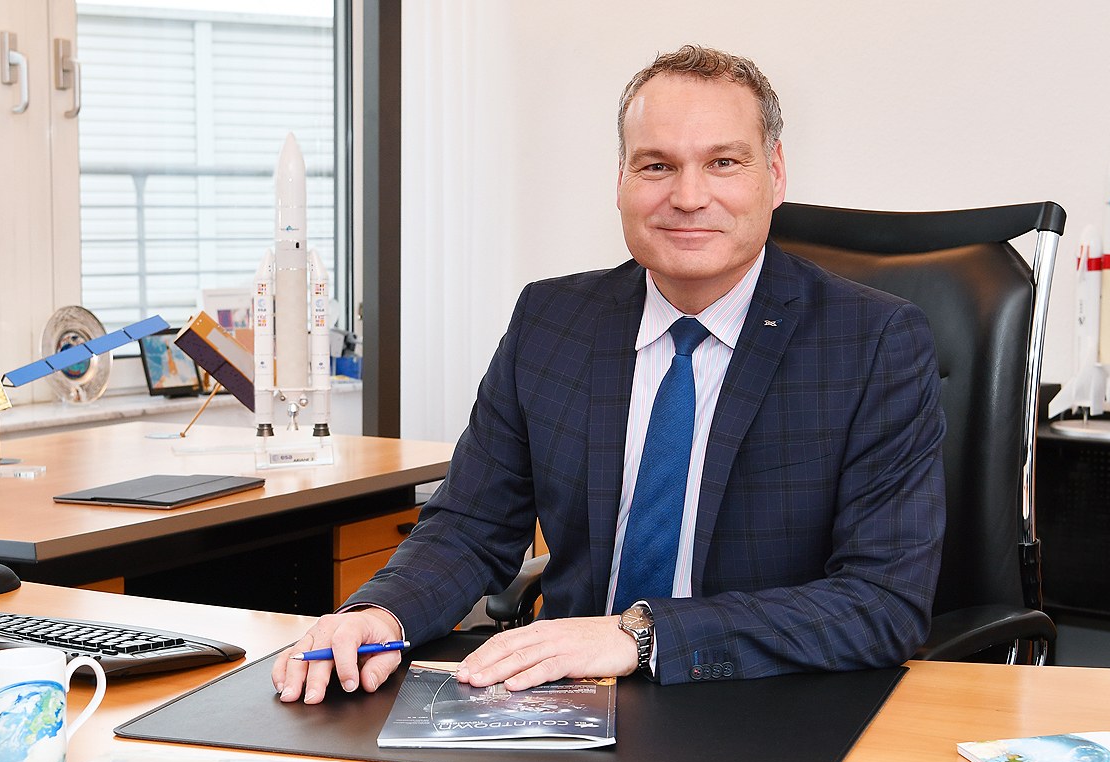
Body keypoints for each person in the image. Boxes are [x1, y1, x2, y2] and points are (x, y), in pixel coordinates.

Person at [273, 44, 945, 704]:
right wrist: (379, 615)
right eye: (656, 165)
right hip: (567, 698)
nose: (687, 196)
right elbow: (470, 525)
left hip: (764, 702)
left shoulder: (873, 342)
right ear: (620, 178)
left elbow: (881, 603)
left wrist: (642, 636)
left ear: (774, 173)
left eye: (722, 162)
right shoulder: (552, 319)